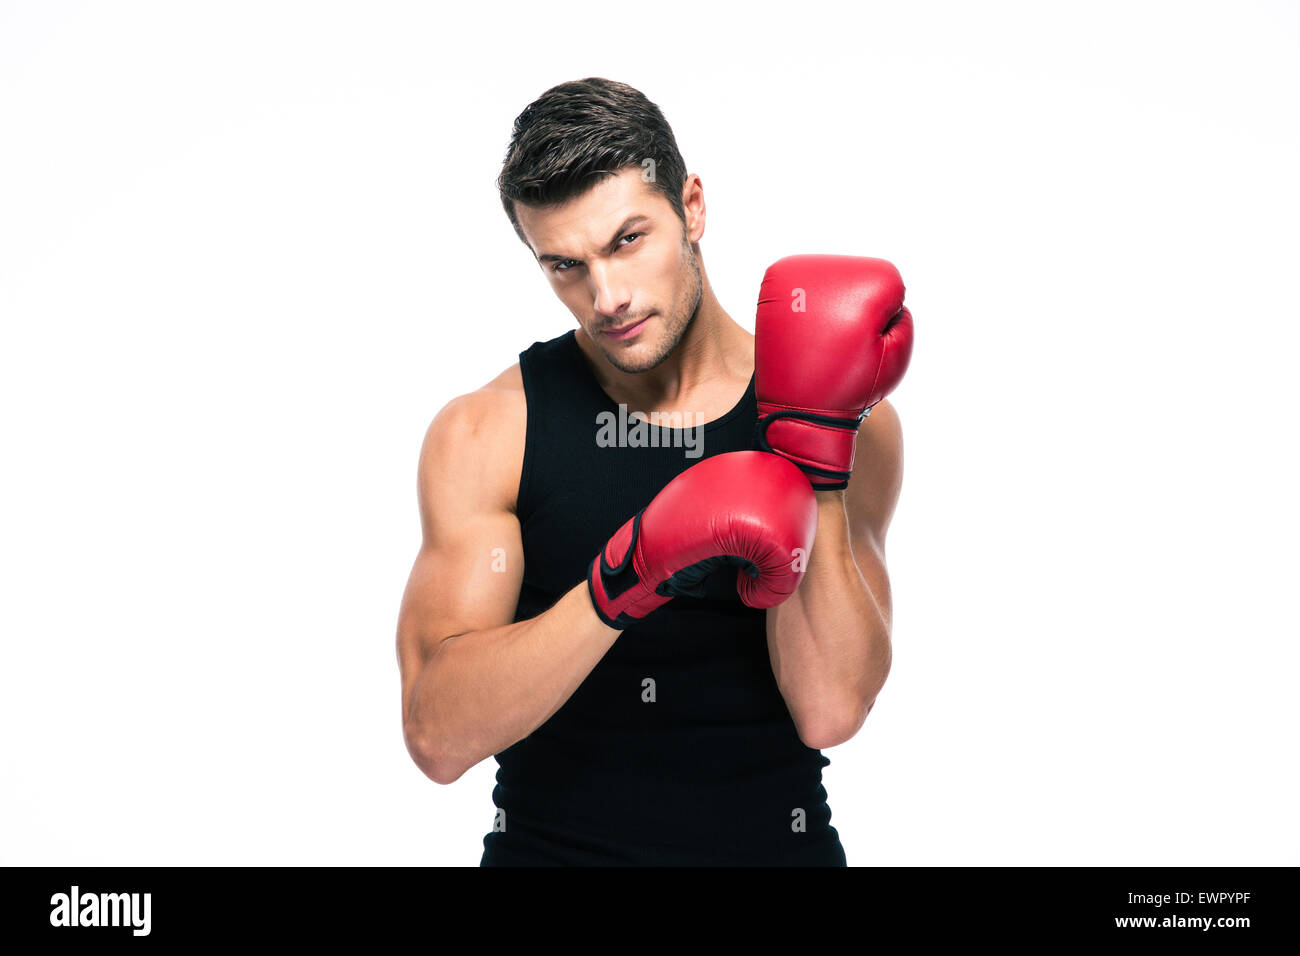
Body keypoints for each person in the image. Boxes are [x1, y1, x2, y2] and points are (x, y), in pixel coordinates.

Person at [395, 77, 911, 866]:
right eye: (565, 265)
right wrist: (624, 580)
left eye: (627, 240)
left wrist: (816, 459)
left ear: (692, 207)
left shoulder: (850, 419)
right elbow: (436, 736)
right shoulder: (487, 432)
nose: (606, 297)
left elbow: (832, 709)